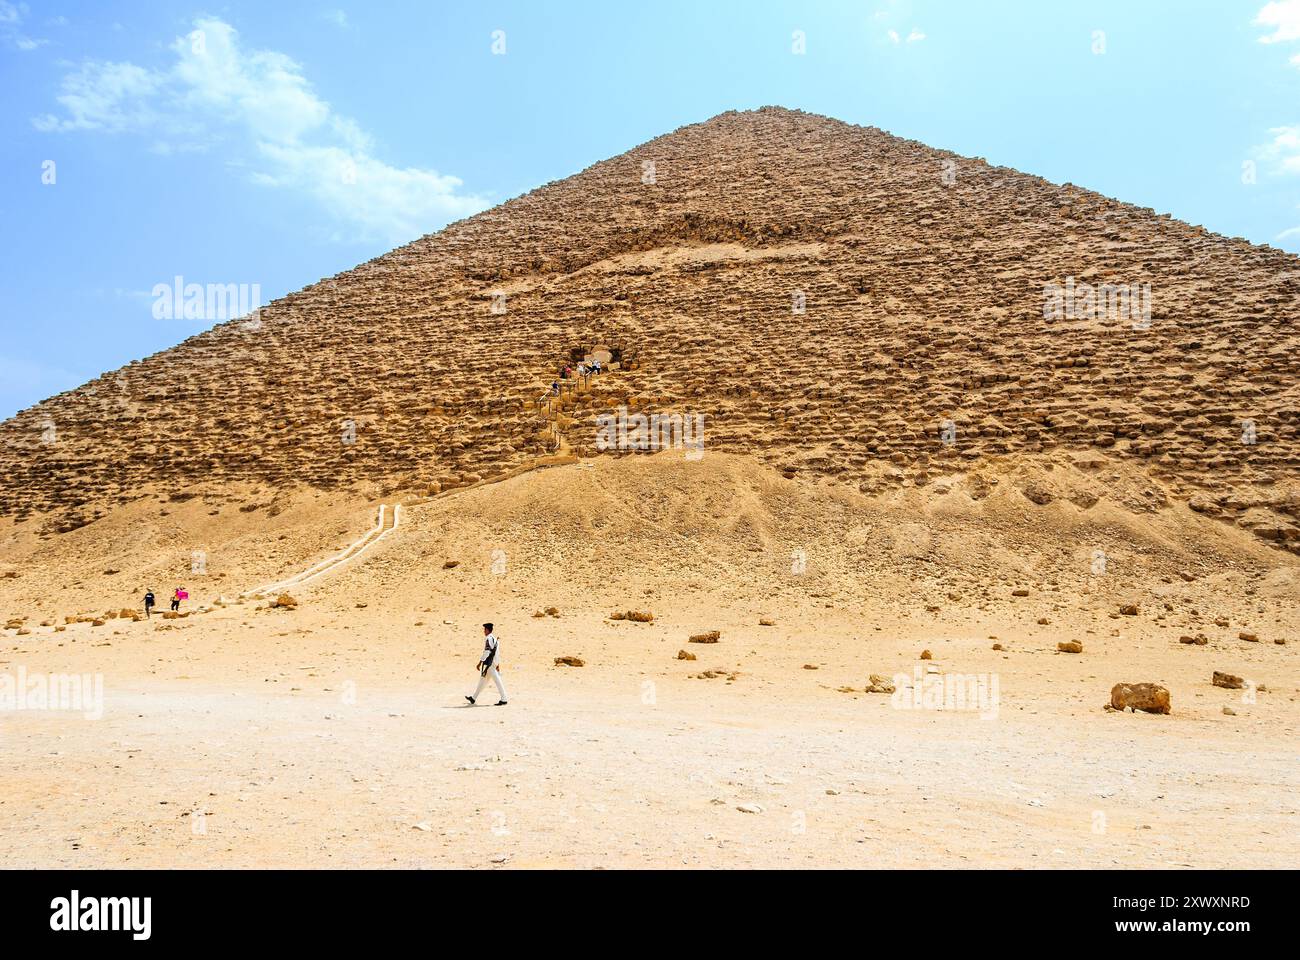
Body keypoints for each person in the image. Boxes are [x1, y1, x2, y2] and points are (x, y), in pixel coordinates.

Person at [465, 622, 508, 706]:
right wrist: (497, 664)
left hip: (490, 664)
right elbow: (497, 653)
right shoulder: (495, 639)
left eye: (484, 629)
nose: (484, 631)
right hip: (493, 663)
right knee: (483, 680)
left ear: (487, 630)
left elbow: (487, 651)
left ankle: (504, 699)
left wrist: (480, 662)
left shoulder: (488, 638)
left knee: (497, 681)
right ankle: (473, 698)